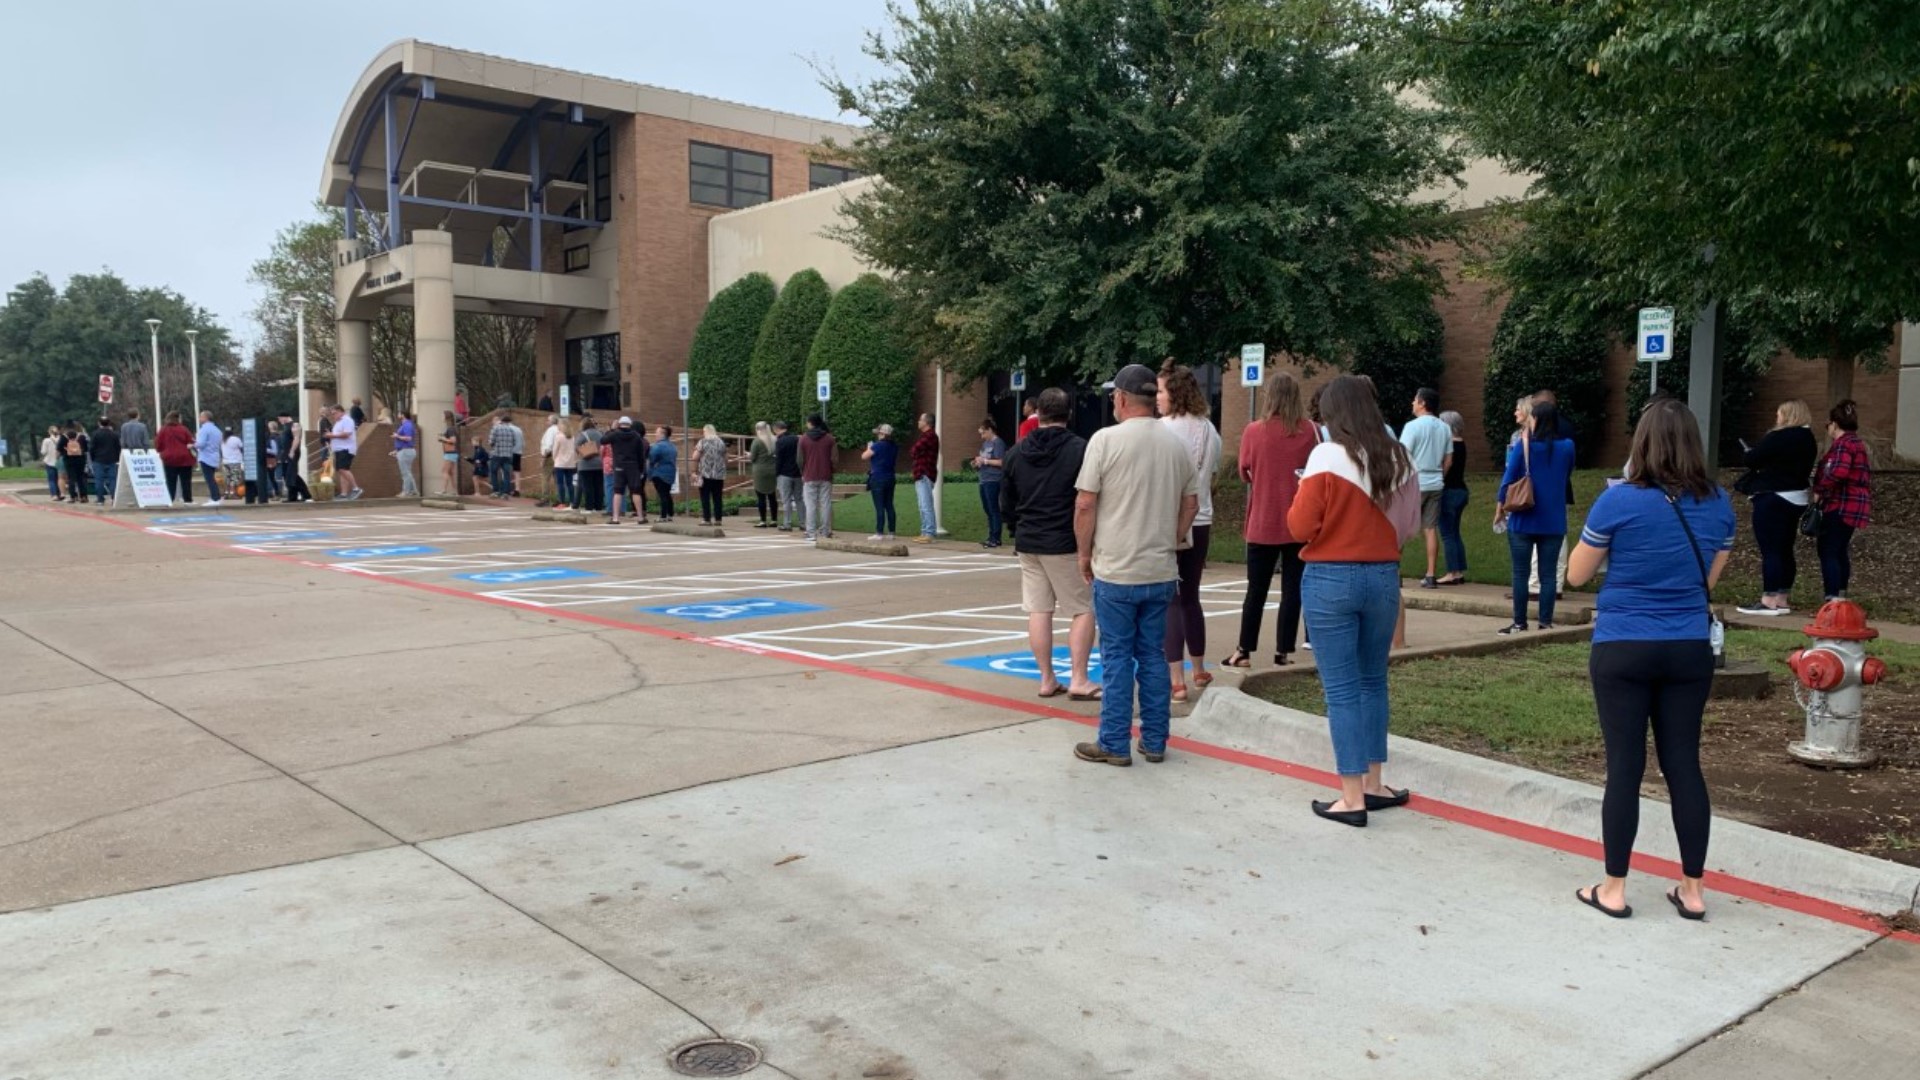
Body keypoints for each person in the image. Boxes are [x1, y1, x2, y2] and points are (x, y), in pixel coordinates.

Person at [1565, 398, 1735, 920]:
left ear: (1641, 443)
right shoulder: (1720, 505)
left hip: (1623, 644)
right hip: (1687, 647)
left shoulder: (1617, 503)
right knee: (1684, 764)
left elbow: (1575, 575)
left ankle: (1614, 889)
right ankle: (1693, 889)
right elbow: (1705, 582)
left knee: (1625, 766)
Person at [1287, 374, 1420, 826]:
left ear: (1333, 414)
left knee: (1341, 689)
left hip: (1331, 578)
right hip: (1383, 576)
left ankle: (1350, 797)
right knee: (1372, 682)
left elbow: (1298, 527)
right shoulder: (1398, 456)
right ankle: (1375, 783)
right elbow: (1408, 527)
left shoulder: (1325, 456)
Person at [1072, 365, 1199, 767]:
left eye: (1114, 396)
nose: (1112, 401)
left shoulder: (1104, 440)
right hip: (1160, 569)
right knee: (1153, 657)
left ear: (1124, 399)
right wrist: (1173, 539)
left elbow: (1085, 503)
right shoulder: (1176, 444)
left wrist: (1083, 553)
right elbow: (1191, 503)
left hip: (1116, 569)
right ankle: (1155, 740)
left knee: (1116, 658)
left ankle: (1113, 742)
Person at [1002, 388, 1098, 699]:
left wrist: (1015, 527)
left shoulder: (1016, 453)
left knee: (1038, 610)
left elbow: (1006, 500)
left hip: (1029, 540)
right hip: (1065, 540)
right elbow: (1088, 499)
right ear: (1068, 414)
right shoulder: (1080, 450)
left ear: (1038, 414)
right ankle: (1079, 678)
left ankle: (1046, 678)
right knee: (1082, 610)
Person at [1226, 371, 1318, 669]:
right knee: (1293, 590)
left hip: (1263, 520)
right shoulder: (1311, 431)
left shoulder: (1254, 431)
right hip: (1298, 522)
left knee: (1256, 589)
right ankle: (1283, 651)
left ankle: (1244, 649)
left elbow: (1244, 471)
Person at [1157, 362, 1221, 702]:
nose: (1157, 397)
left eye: (1161, 391)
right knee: (1191, 596)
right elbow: (1211, 470)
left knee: (1171, 599)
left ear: (1174, 394)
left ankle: (1175, 679)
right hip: (1202, 518)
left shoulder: (1162, 429)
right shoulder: (1210, 429)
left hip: (1169, 519)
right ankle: (1198, 669)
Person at [1495, 400, 1577, 634]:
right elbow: (1567, 472)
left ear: (1536, 420)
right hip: (1553, 519)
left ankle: (1520, 622)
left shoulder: (1524, 445)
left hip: (1524, 517)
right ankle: (1545, 621)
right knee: (1548, 574)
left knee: (1521, 572)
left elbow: (1509, 477)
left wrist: (1501, 505)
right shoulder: (1567, 447)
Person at [1733, 400, 1819, 615]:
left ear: (1788, 416)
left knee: (1770, 549)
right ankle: (1782, 597)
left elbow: (1752, 459)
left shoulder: (1779, 437)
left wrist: (1749, 453)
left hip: (1772, 496)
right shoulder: (1808, 439)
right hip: (1797, 497)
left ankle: (1768, 599)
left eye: (1779, 414)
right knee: (1785, 548)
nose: (1777, 418)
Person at [1810, 399, 1871, 602]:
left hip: (1841, 504)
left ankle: (1832, 597)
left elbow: (1839, 471)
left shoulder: (1842, 445)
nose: (1827, 428)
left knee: (1828, 549)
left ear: (1835, 424)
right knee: (1839, 549)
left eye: (1828, 425)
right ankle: (1841, 595)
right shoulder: (1857, 443)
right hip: (1855, 505)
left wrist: (1819, 490)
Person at [1399, 388, 1453, 589]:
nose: (1412, 403)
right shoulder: (1444, 427)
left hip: (1415, 482)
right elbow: (1448, 459)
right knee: (1430, 529)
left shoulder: (1412, 427)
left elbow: (1403, 456)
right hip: (1436, 482)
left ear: (1422, 403)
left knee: (1402, 527)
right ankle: (1430, 574)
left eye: (1414, 400)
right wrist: (1440, 475)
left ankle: (1396, 572)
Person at [1435, 410, 1471, 586]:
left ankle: (1452, 572)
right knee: (1455, 532)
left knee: (1447, 534)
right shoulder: (1462, 444)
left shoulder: (1448, 446)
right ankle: (1459, 570)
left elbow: (1444, 466)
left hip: (1448, 492)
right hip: (1461, 491)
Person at [798, 415, 837, 540]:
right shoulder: (830, 439)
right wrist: (831, 471)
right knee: (825, 504)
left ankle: (810, 532)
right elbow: (834, 459)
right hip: (825, 475)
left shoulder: (803, 439)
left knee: (810, 505)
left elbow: (799, 459)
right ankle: (825, 531)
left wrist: (803, 471)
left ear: (810, 423)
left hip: (809, 475)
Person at [604, 417, 648, 523]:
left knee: (618, 492)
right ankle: (640, 517)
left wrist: (612, 430)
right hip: (633, 467)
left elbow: (603, 440)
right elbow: (641, 455)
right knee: (636, 492)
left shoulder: (615, 434)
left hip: (619, 466)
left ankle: (615, 518)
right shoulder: (636, 436)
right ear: (630, 425)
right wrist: (641, 469)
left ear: (619, 424)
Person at [862, 424, 899, 540]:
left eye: (878, 433)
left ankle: (879, 532)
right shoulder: (894, 446)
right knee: (889, 505)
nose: (877, 435)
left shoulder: (877, 446)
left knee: (879, 506)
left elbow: (864, 456)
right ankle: (892, 532)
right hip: (890, 477)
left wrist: (869, 447)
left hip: (878, 478)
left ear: (883, 434)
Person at [974, 419, 1008, 548]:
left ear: (989, 430)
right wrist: (977, 463)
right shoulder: (985, 444)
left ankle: (996, 537)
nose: (982, 436)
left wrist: (985, 461)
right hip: (983, 478)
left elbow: (1001, 462)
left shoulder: (998, 443)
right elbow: (983, 459)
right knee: (987, 508)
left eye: (983, 433)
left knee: (994, 509)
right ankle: (991, 536)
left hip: (993, 479)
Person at [910, 413, 940, 543]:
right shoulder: (927, 436)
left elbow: (914, 450)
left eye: (920, 419)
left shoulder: (930, 436)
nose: (918, 421)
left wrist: (916, 453)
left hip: (925, 473)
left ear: (927, 422)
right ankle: (924, 531)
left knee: (926, 505)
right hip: (921, 474)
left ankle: (929, 533)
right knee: (922, 505)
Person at [155, 412, 194, 504]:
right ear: (178, 418)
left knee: (170, 481)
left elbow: (158, 444)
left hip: (169, 458)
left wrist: (162, 451)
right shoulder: (184, 429)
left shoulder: (163, 430)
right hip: (185, 458)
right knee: (186, 480)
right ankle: (187, 499)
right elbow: (190, 441)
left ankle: (170, 499)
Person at [695, 424, 730, 525]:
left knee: (705, 497)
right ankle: (718, 519)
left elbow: (695, 457)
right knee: (717, 497)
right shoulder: (721, 442)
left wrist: (694, 471)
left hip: (705, 473)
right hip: (719, 474)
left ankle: (706, 519)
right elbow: (726, 458)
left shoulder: (702, 441)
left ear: (705, 432)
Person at [774, 420, 803, 532]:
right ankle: (803, 523)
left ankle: (787, 523)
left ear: (777, 429)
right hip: (797, 473)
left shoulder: (780, 441)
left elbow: (779, 459)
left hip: (784, 474)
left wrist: (776, 473)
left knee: (786, 500)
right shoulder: (797, 439)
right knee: (799, 499)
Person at [749, 421, 779, 527]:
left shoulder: (757, 441)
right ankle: (774, 520)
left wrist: (749, 455)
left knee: (761, 496)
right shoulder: (775, 439)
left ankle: (763, 520)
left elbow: (753, 457)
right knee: (772, 496)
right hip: (772, 470)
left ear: (758, 429)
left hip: (760, 471)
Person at [85, 417, 121, 505]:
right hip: (112, 459)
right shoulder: (114, 434)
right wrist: (117, 457)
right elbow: (118, 447)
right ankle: (113, 498)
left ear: (99, 423)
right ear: (109, 423)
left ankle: (100, 499)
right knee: (113, 479)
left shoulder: (96, 434)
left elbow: (92, 448)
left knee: (99, 480)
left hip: (99, 459)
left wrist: (93, 458)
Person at [278, 413, 311, 503]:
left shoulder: (294, 425)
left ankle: (306, 494)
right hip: (285, 454)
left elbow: (296, 439)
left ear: (285, 417)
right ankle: (292, 496)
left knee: (292, 474)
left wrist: (292, 451)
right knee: (286, 475)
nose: (280, 421)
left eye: (280, 418)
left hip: (292, 453)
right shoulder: (285, 427)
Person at [648, 426, 680, 521]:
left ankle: (663, 516)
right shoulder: (673, 446)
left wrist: (650, 472)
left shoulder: (657, 446)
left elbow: (652, 459)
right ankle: (670, 514)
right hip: (670, 473)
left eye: (657, 432)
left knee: (662, 495)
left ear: (663, 434)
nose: (655, 434)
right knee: (667, 494)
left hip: (659, 473)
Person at [194, 411, 225, 505]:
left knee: (209, 479)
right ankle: (216, 497)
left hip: (205, 457)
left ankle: (215, 498)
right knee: (212, 478)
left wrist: (193, 445)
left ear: (205, 418)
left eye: (200, 417)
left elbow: (201, 444)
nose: (199, 419)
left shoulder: (204, 429)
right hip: (214, 456)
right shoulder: (217, 430)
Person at [573, 418, 604, 512]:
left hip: (585, 465)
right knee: (598, 486)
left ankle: (589, 507)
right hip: (599, 464)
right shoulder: (600, 434)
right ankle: (598, 507)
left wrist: (582, 451)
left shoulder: (583, 434)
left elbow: (576, 446)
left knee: (588, 487)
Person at [486, 413, 518, 500]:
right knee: (507, 474)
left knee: (493, 472)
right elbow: (514, 442)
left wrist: (494, 445)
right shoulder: (511, 430)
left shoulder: (495, 428)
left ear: (501, 421)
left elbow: (491, 442)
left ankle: (496, 491)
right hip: (507, 455)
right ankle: (505, 493)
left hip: (497, 454)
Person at [59, 421, 90, 504]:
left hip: (68, 460)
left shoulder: (64, 437)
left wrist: (65, 451)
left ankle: (73, 496)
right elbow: (86, 449)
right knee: (81, 478)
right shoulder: (82, 437)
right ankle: (83, 496)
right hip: (80, 459)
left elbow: (59, 448)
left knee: (71, 478)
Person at [552, 416, 579, 509]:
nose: (558, 426)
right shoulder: (572, 437)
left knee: (560, 483)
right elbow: (574, 451)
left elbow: (555, 450)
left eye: (559, 424)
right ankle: (572, 502)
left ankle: (562, 502)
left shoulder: (559, 436)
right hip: (570, 463)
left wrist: (554, 458)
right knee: (570, 483)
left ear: (562, 425)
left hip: (560, 463)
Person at [392, 411, 420, 497]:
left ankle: (406, 491)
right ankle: (413, 491)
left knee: (405, 473)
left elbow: (408, 438)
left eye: (399, 413)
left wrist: (397, 436)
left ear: (403, 415)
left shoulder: (407, 425)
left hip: (406, 451)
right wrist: (396, 450)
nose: (398, 415)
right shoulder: (405, 425)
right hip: (404, 450)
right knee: (408, 472)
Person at [539, 415, 563, 499]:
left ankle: (545, 498)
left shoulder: (550, 430)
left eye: (548, 420)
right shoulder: (560, 429)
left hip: (549, 456)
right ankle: (559, 498)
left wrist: (543, 457)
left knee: (545, 477)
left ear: (552, 421)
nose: (546, 421)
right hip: (559, 456)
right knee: (557, 478)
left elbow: (548, 445)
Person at [437, 411, 460, 497]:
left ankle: (444, 490)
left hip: (450, 453)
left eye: (442, 416)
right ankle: (455, 491)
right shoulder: (451, 428)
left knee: (444, 471)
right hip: (451, 453)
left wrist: (443, 438)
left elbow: (453, 441)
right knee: (450, 472)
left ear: (446, 417)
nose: (441, 417)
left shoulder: (450, 429)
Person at [39, 425, 64, 501]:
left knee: (51, 480)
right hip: (59, 461)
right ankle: (60, 494)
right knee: (59, 479)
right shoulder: (61, 439)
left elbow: (43, 452)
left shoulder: (46, 440)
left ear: (49, 432)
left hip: (49, 462)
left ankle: (54, 495)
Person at [220, 426, 244, 500]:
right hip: (235, 461)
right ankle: (233, 493)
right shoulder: (236, 439)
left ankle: (227, 493)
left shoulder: (222, 440)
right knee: (234, 478)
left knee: (227, 478)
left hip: (225, 461)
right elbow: (242, 447)